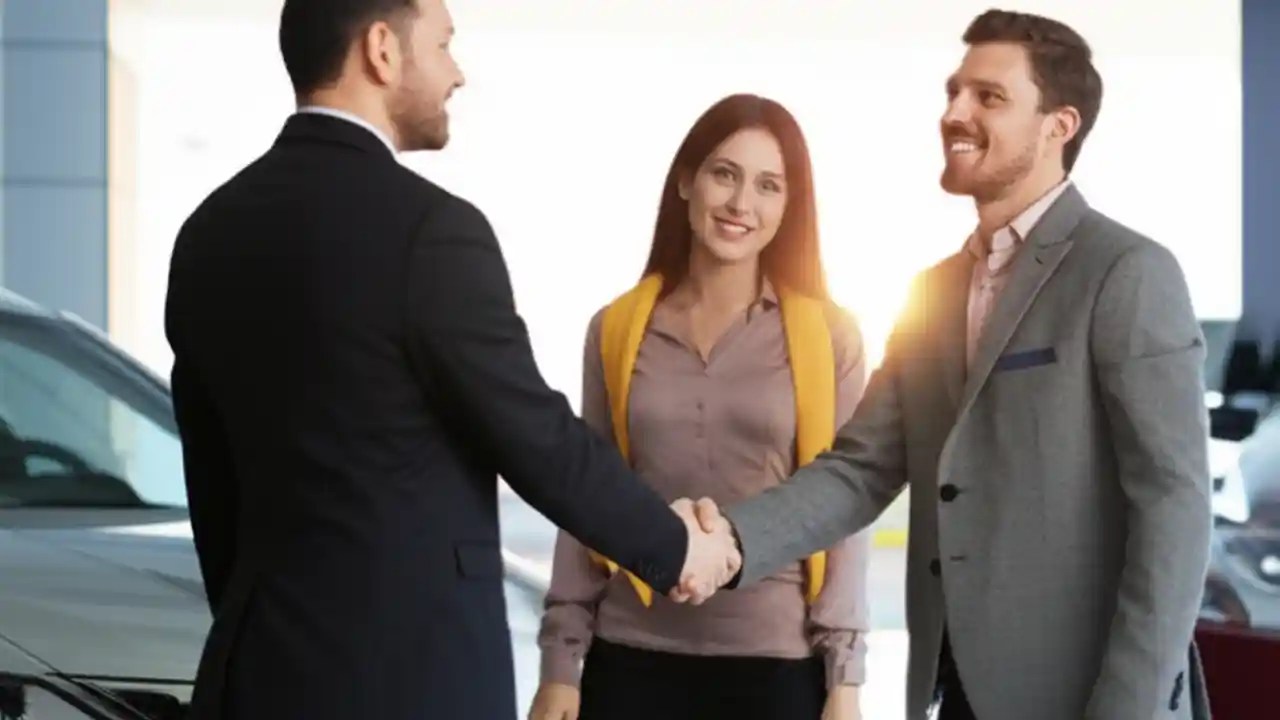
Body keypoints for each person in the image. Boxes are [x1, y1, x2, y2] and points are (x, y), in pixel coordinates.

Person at [162, 1, 738, 719]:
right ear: (381, 50)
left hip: (255, 673)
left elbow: (213, 487)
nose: (456, 73)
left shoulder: (207, 233)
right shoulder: (432, 233)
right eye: (442, 45)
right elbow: (534, 436)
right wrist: (676, 547)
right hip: (412, 681)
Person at [693, 9, 1213, 720]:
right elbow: (861, 467)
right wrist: (729, 539)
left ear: (1059, 126)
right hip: (956, 692)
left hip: (1090, 697)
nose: (955, 113)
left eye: (988, 97)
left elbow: (1175, 510)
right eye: (953, 92)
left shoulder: (1127, 273)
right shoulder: (933, 291)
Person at [528, 94, 872, 720]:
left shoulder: (831, 337)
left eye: (769, 185)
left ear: (789, 206)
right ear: (686, 180)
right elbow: (586, 498)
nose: (742, 204)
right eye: (724, 174)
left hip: (778, 670)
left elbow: (844, 505)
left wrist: (844, 679)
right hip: (629, 659)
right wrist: (561, 665)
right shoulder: (615, 328)